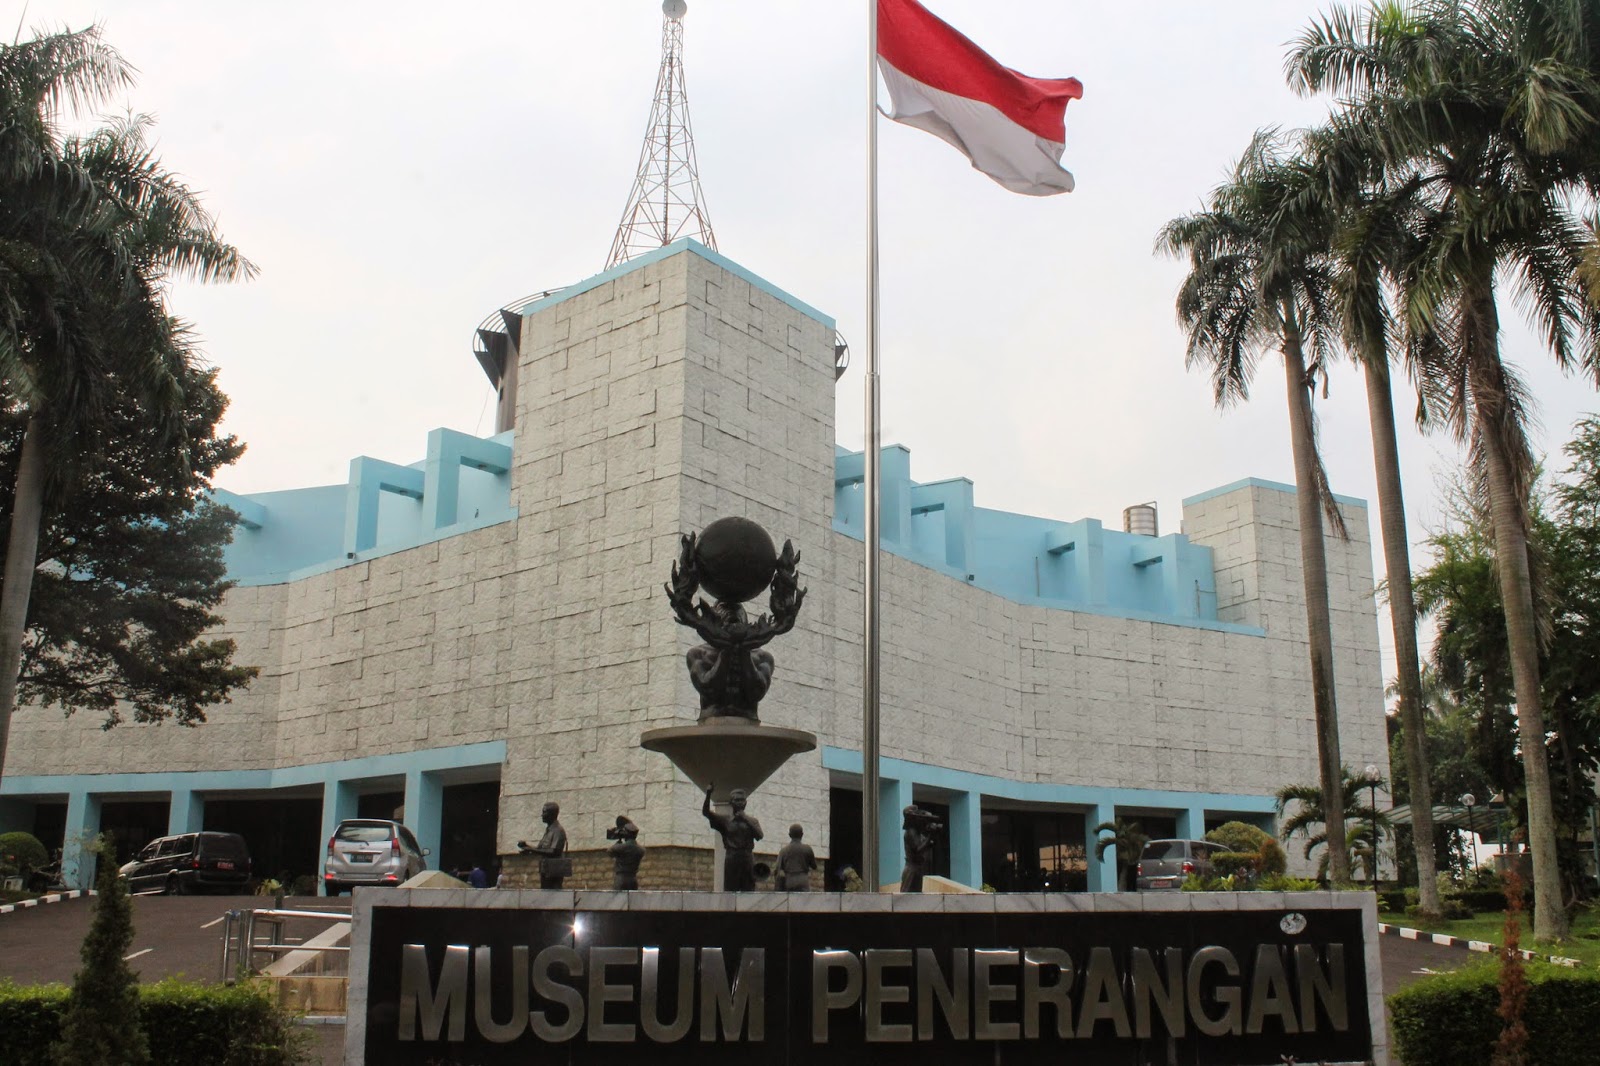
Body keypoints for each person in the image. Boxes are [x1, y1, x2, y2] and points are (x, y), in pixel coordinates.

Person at [702, 782, 763, 891]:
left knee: (748, 888)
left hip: (747, 857)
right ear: (731, 802)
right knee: (730, 889)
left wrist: (745, 818)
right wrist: (708, 794)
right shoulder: (725, 820)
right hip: (732, 857)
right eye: (737, 800)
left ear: (746, 803)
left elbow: (760, 835)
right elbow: (706, 813)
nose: (740, 803)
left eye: (742, 800)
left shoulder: (752, 821)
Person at [518, 801, 569, 889]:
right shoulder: (549, 830)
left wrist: (531, 850)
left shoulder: (558, 830)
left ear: (552, 814)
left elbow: (553, 851)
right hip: (546, 870)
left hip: (554, 871)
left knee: (553, 897)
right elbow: (541, 849)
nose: (542, 815)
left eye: (544, 812)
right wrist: (527, 846)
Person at [900, 805, 940, 893]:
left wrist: (932, 836)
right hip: (912, 868)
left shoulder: (918, 833)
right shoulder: (911, 831)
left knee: (917, 896)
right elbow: (917, 850)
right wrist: (929, 837)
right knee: (905, 897)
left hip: (918, 868)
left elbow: (926, 847)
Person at [775, 823, 816, 892]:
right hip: (803, 881)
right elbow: (814, 866)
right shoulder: (807, 849)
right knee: (804, 902)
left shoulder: (783, 850)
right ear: (802, 834)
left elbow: (777, 868)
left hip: (789, 881)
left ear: (789, 835)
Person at [608, 817, 645, 890]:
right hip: (633, 880)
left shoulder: (621, 848)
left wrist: (618, 843)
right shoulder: (641, 850)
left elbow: (610, 851)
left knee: (619, 900)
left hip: (621, 879)